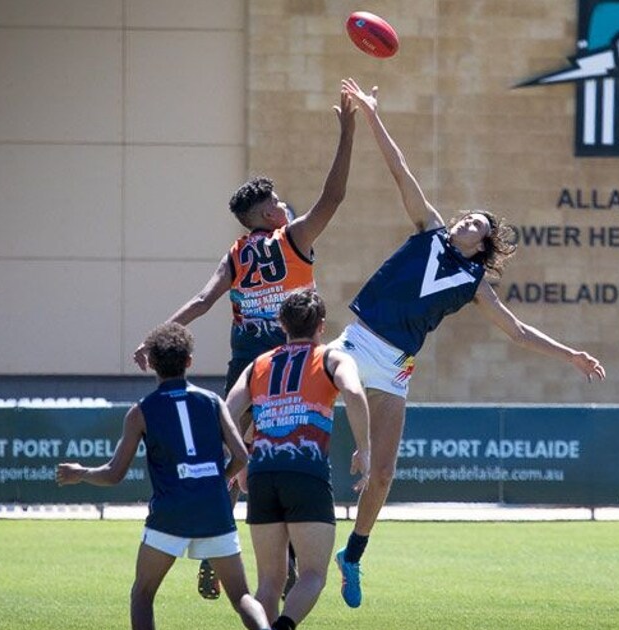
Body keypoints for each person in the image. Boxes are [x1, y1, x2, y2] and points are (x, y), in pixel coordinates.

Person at [330, 78, 606, 608]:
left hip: (394, 367)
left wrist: (569, 354)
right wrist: (370, 114)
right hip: (357, 340)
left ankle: (354, 556)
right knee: (336, 401)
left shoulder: (476, 284)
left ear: (484, 241)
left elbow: (518, 332)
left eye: (478, 221)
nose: (467, 218)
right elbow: (400, 169)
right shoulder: (429, 229)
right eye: (468, 214)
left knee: (384, 475)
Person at [132, 83, 357, 600]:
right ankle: (297, 556)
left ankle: (218, 540)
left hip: (246, 370)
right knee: (292, 454)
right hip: (294, 365)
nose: (284, 204)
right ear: (268, 216)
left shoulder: (236, 253)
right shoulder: (292, 238)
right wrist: (346, 133)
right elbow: (335, 197)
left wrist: (155, 338)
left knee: (234, 457)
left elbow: (202, 302)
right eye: (277, 201)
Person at [57, 323, 270, 630]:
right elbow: (241, 456)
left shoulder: (141, 411)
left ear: (152, 364)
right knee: (242, 598)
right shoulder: (213, 401)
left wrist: (81, 473)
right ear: (189, 362)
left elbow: (114, 474)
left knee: (142, 594)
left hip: (170, 512)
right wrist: (219, 481)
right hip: (215, 509)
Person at [225, 289, 371, 630]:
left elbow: (228, 410)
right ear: (321, 326)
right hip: (306, 472)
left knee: (268, 583)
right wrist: (363, 448)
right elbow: (352, 391)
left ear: (281, 324)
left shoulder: (258, 364)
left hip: (262, 472)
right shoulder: (332, 358)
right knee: (313, 575)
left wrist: (240, 459)